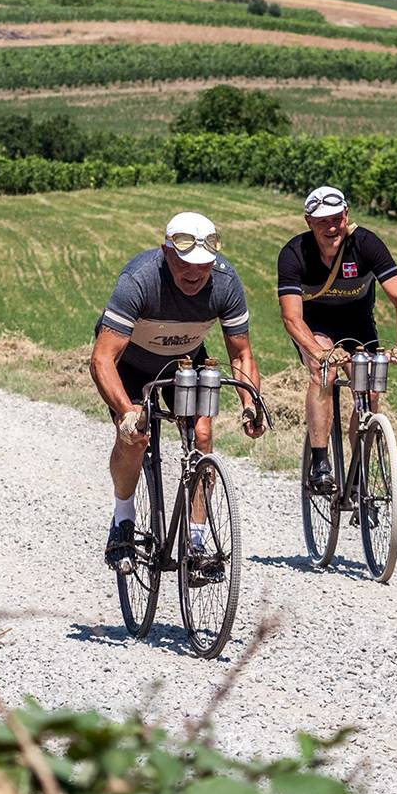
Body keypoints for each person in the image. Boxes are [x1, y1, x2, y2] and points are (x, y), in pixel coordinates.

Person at [90, 212, 265, 575]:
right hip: (132, 366)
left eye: (203, 267)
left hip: (184, 363)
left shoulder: (225, 282)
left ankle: (197, 540)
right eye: (185, 264)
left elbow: (242, 353)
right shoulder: (139, 279)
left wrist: (251, 403)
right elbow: (102, 359)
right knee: (135, 437)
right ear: (165, 251)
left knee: (202, 436)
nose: (194, 274)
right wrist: (126, 412)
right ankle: (123, 522)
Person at [277, 186, 397, 493]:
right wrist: (318, 352)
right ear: (309, 221)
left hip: (358, 325)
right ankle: (320, 462)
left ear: (346, 215)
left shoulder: (366, 244)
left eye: (337, 219)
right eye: (322, 221)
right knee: (322, 372)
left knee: (369, 388)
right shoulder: (293, 254)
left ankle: (358, 471)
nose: (331, 227)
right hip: (315, 327)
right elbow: (291, 317)